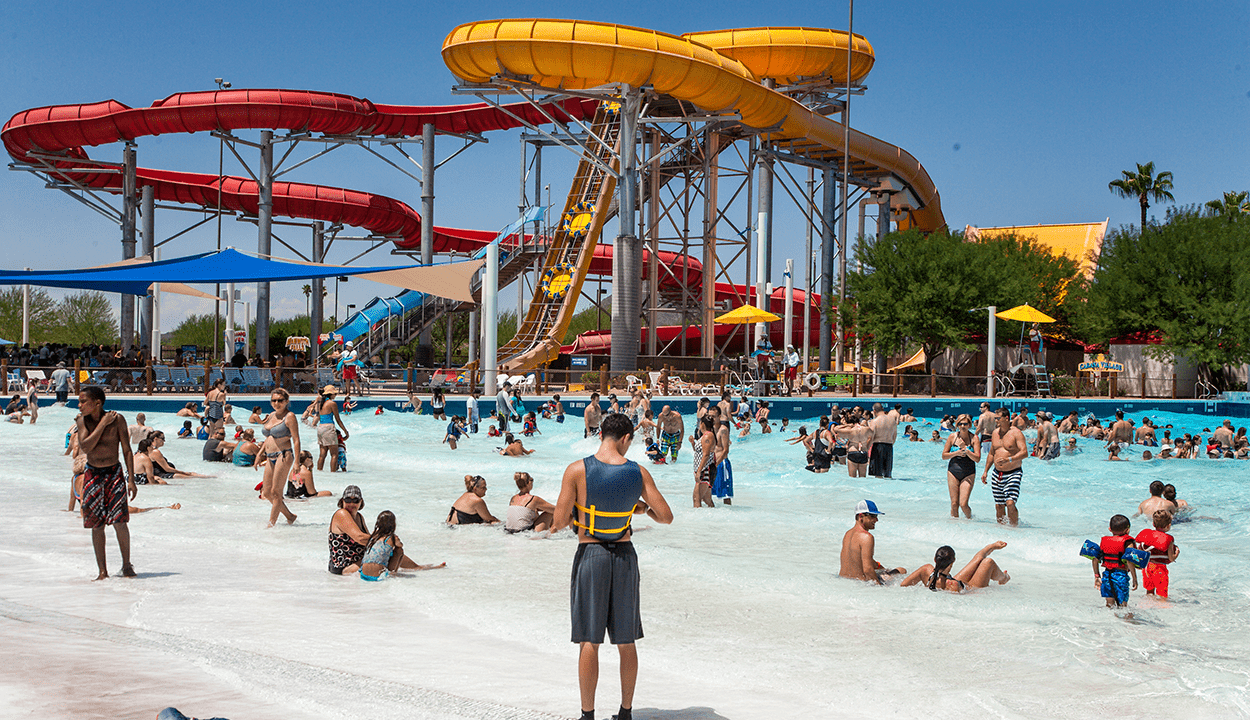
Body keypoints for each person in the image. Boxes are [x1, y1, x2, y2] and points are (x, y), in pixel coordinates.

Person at [552, 412, 673, 720]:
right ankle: (626, 712)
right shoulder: (638, 472)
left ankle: (587, 715)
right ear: (626, 439)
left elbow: (559, 522)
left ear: (601, 434)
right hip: (624, 556)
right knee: (625, 640)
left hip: (591, 554)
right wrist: (641, 510)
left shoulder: (577, 470)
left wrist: (582, 515)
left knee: (589, 640)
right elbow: (666, 516)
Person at [75, 386, 138, 580]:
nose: (79, 406)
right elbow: (85, 446)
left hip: (114, 473)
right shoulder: (82, 420)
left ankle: (126, 565)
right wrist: (102, 424)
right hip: (93, 474)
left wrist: (131, 479)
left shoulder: (118, 420)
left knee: (120, 521)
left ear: (97, 403)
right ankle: (102, 571)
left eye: (83, 402)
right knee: (96, 525)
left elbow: (127, 450)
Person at [359, 511, 445, 580]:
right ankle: (393, 574)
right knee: (399, 550)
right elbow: (400, 545)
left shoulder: (373, 538)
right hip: (377, 577)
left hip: (363, 575)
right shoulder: (391, 538)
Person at [258, 388, 300, 527]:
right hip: (269, 456)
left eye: (280, 400)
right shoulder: (271, 416)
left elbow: (296, 440)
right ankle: (289, 516)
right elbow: (269, 437)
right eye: (274, 400)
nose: (277, 403)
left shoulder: (290, 416)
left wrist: (297, 463)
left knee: (276, 492)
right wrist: (259, 454)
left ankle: (271, 524)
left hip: (284, 455)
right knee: (267, 492)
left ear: (286, 401)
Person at [838, 500, 905, 584]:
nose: (876, 520)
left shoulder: (848, 534)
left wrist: (880, 567)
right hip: (860, 584)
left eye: (876, 516)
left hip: (843, 580)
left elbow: (857, 558)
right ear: (861, 516)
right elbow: (868, 569)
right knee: (901, 570)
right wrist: (880, 588)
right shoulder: (867, 537)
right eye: (873, 516)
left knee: (888, 571)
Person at [901, 541, 1011, 592]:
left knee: (978, 560)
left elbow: (904, 585)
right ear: (953, 562)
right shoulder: (953, 585)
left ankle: (990, 547)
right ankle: (1004, 578)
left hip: (952, 581)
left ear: (935, 559)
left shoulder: (926, 570)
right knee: (988, 563)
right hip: (970, 588)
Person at [980, 408, 1027, 527]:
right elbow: (991, 453)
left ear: (1006, 418)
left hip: (1013, 472)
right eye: (995, 418)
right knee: (999, 505)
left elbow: (1024, 452)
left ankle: (1014, 528)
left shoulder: (1016, 433)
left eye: (998, 418)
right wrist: (985, 471)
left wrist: (1009, 459)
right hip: (997, 473)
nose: (996, 421)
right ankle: (1001, 530)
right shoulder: (995, 433)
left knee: (1010, 503)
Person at [1093, 514, 1138, 609]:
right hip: (1120, 577)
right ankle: (1124, 623)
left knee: (1109, 605)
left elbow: (1095, 559)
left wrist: (1097, 576)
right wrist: (1135, 578)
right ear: (1128, 530)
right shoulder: (1128, 542)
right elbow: (1129, 561)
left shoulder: (1105, 541)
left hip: (1106, 576)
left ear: (1110, 529)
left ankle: (1112, 623)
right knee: (1123, 606)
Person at [942, 414, 982, 519]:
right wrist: (957, 453)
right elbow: (944, 456)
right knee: (954, 504)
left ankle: (970, 522)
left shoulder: (974, 438)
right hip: (953, 470)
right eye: (960, 424)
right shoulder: (952, 437)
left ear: (969, 425)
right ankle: (955, 527)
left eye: (965, 424)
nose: (963, 426)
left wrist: (967, 450)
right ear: (957, 425)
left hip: (968, 472)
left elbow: (977, 458)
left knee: (963, 504)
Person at [1135, 510, 1179, 598]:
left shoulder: (1146, 536)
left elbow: (1140, 551)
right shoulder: (1168, 539)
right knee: (1162, 594)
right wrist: (1177, 552)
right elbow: (1171, 558)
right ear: (1168, 525)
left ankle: (1148, 607)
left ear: (1153, 524)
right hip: (1159, 569)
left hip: (1147, 568)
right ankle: (1161, 610)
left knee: (1149, 592)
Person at [328, 485, 369, 575]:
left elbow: (369, 542)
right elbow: (360, 538)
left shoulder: (359, 517)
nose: (351, 504)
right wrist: (384, 539)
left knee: (394, 553)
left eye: (355, 501)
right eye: (348, 500)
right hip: (344, 568)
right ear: (342, 501)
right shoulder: (341, 514)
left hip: (358, 562)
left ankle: (405, 577)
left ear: (360, 502)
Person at [147, 432, 212, 478]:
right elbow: (167, 469)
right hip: (163, 475)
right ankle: (213, 477)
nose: (164, 441)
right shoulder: (155, 452)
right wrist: (182, 472)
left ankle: (211, 477)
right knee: (192, 476)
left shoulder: (150, 449)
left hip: (163, 473)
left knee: (193, 475)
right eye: (163, 438)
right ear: (156, 439)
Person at [316, 385, 350, 472]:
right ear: (330, 394)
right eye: (335, 393)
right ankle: (333, 475)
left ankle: (319, 473)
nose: (335, 395)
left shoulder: (321, 403)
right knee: (334, 454)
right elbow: (338, 420)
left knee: (322, 455)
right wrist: (345, 431)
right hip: (328, 428)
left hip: (320, 428)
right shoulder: (332, 404)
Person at [690, 415, 716, 507]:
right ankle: (714, 517)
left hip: (705, 470)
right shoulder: (705, 436)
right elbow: (699, 452)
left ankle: (697, 520)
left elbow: (706, 455)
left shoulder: (707, 436)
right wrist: (693, 443)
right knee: (707, 499)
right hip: (704, 469)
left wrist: (699, 471)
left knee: (697, 499)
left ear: (702, 424)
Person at [867, 402, 898, 478]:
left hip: (878, 446)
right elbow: (894, 435)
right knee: (888, 475)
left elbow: (871, 437)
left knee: (878, 475)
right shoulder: (892, 420)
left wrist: (866, 448)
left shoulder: (874, 421)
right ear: (883, 409)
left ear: (874, 411)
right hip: (889, 446)